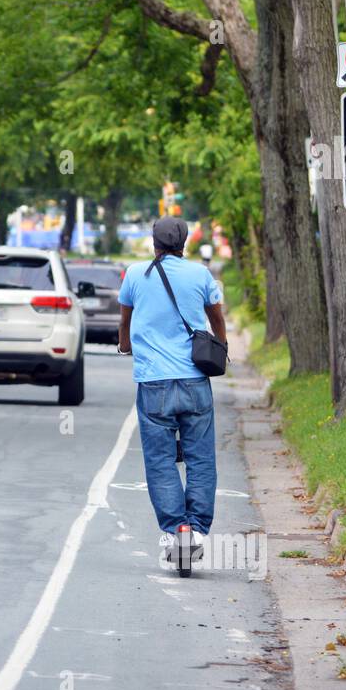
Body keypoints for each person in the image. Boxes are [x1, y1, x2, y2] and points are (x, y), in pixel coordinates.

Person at [118, 216, 228, 568]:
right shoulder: (200, 275)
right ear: (184, 244)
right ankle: (196, 530)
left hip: (153, 384)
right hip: (195, 381)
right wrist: (221, 347)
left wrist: (125, 345)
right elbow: (217, 318)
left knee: (160, 460)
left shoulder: (136, 275)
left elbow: (126, 321)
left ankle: (175, 528)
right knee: (200, 459)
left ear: (154, 243)